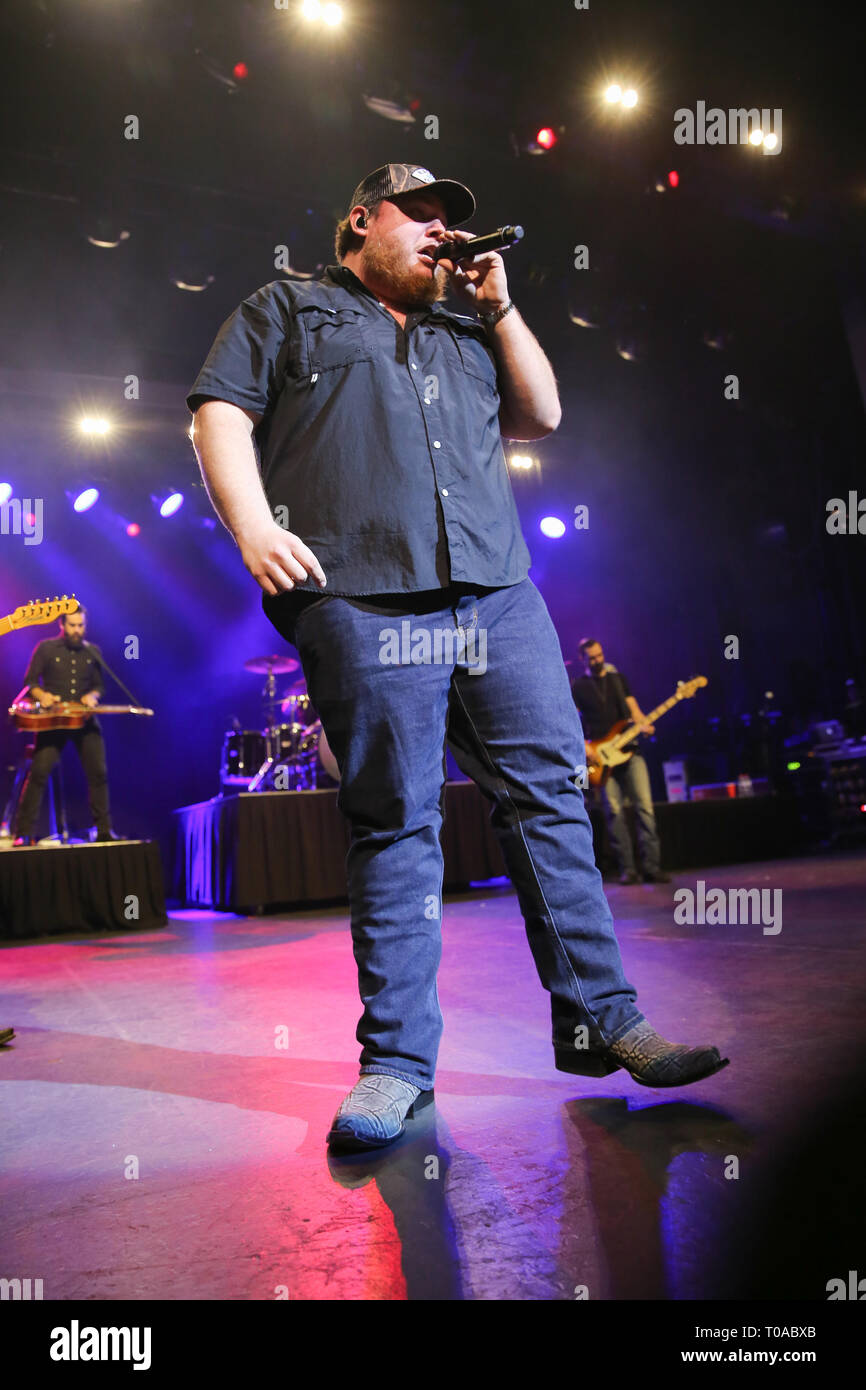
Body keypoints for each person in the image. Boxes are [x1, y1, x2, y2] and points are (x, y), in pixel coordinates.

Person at [187, 163, 727, 1151]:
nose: (442, 233)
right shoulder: (288, 306)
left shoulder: (467, 323)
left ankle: (604, 1019)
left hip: (494, 590)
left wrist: (503, 308)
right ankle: (395, 1065)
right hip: (361, 592)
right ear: (361, 219)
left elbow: (543, 416)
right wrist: (253, 525)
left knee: (551, 796)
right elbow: (217, 412)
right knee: (397, 818)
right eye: (422, 216)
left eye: (452, 222)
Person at [13, 606, 118, 844]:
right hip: (54, 720)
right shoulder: (46, 648)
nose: (77, 630)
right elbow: (30, 681)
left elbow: (99, 686)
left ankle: (103, 830)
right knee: (39, 772)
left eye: (81, 625)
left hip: (84, 720)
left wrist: (93, 696)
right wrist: (43, 695)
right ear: (62, 625)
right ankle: (23, 833)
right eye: (72, 625)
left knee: (98, 774)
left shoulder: (93, 652)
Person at [571, 638, 670, 885]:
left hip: (630, 751)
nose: (597, 660)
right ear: (583, 659)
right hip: (601, 758)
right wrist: (585, 746)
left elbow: (633, 710)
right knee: (613, 812)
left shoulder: (618, 680)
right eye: (591, 657)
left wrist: (643, 724)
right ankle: (628, 869)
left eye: (599, 654)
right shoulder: (579, 687)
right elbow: (572, 720)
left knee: (645, 807)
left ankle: (652, 867)